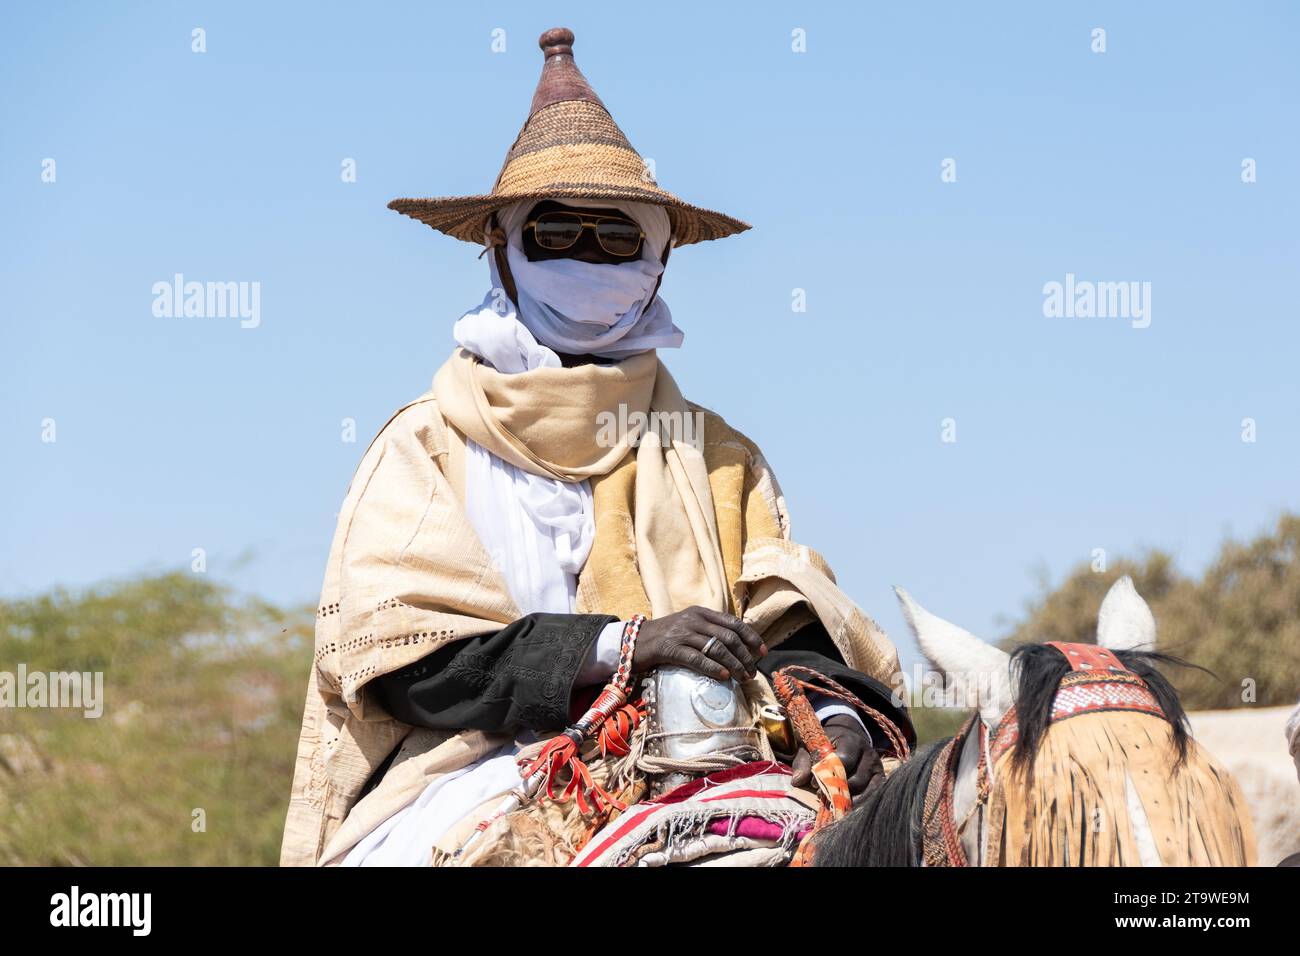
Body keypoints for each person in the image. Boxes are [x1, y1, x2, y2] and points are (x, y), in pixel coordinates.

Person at [280, 27, 913, 867]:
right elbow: (408, 667)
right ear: (502, 250)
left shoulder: (718, 454)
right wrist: (622, 644)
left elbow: (788, 628)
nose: (588, 256)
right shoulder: (426, 444)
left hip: (712, 761)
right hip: (467, 775)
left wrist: (831, 720)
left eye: (617, 238)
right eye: (556, 233)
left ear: (657, 261)